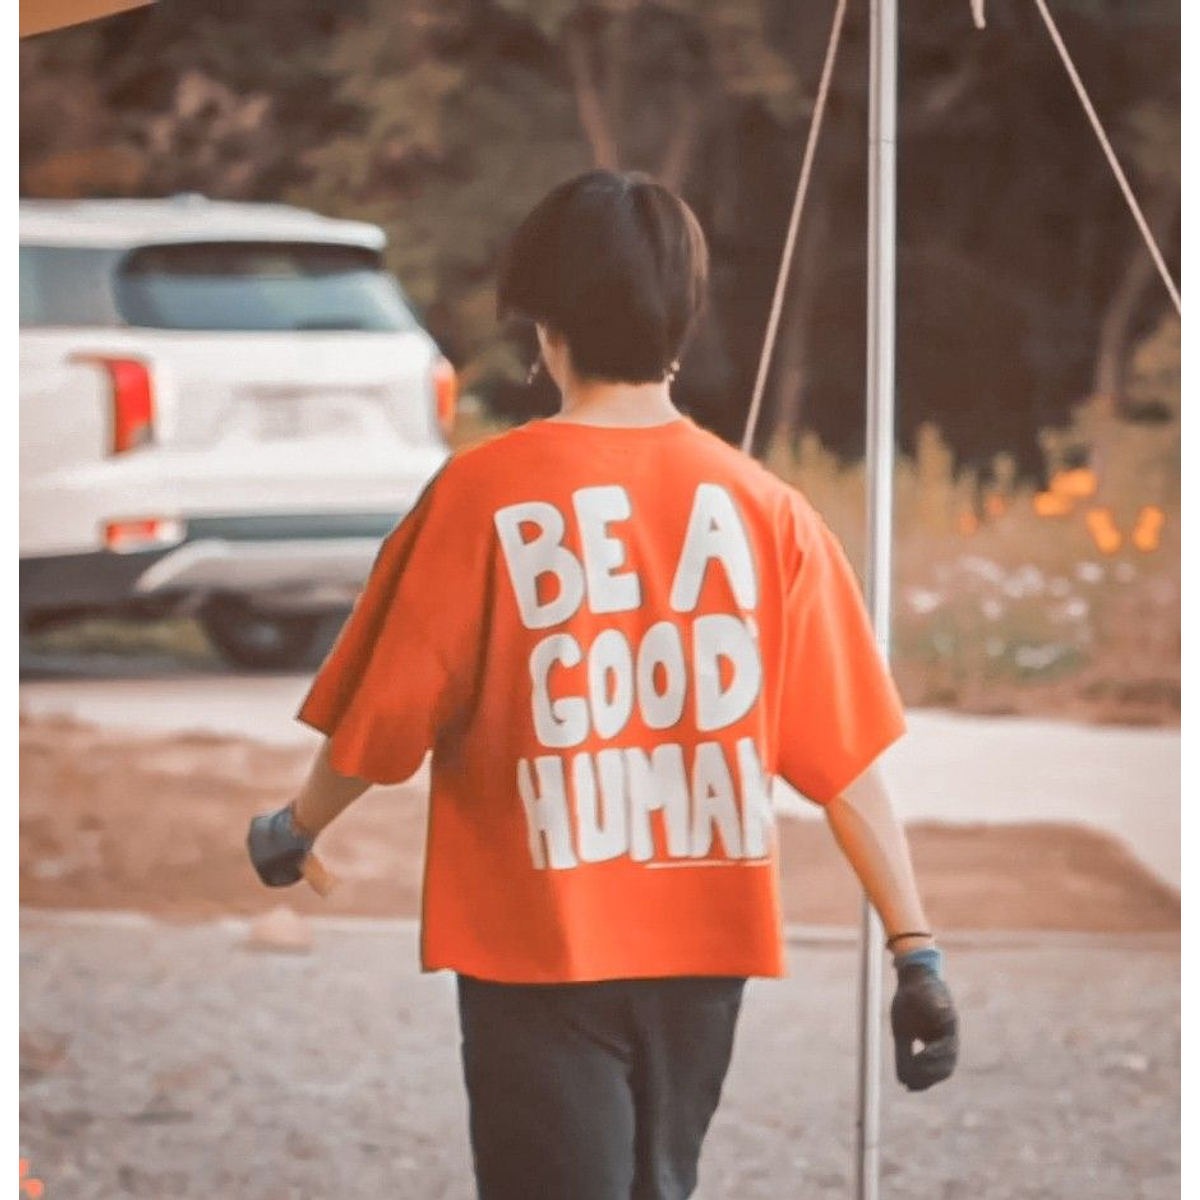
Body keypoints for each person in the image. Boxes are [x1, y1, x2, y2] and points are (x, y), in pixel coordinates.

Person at [248, 168, 958, 1200]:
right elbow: (844, 762)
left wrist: (294, 828)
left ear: (545, 322)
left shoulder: (481, 495)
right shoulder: (769, 511)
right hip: (702, 964)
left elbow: (381, 725)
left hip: (536, 952)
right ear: (683, 317)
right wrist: (915, 952)